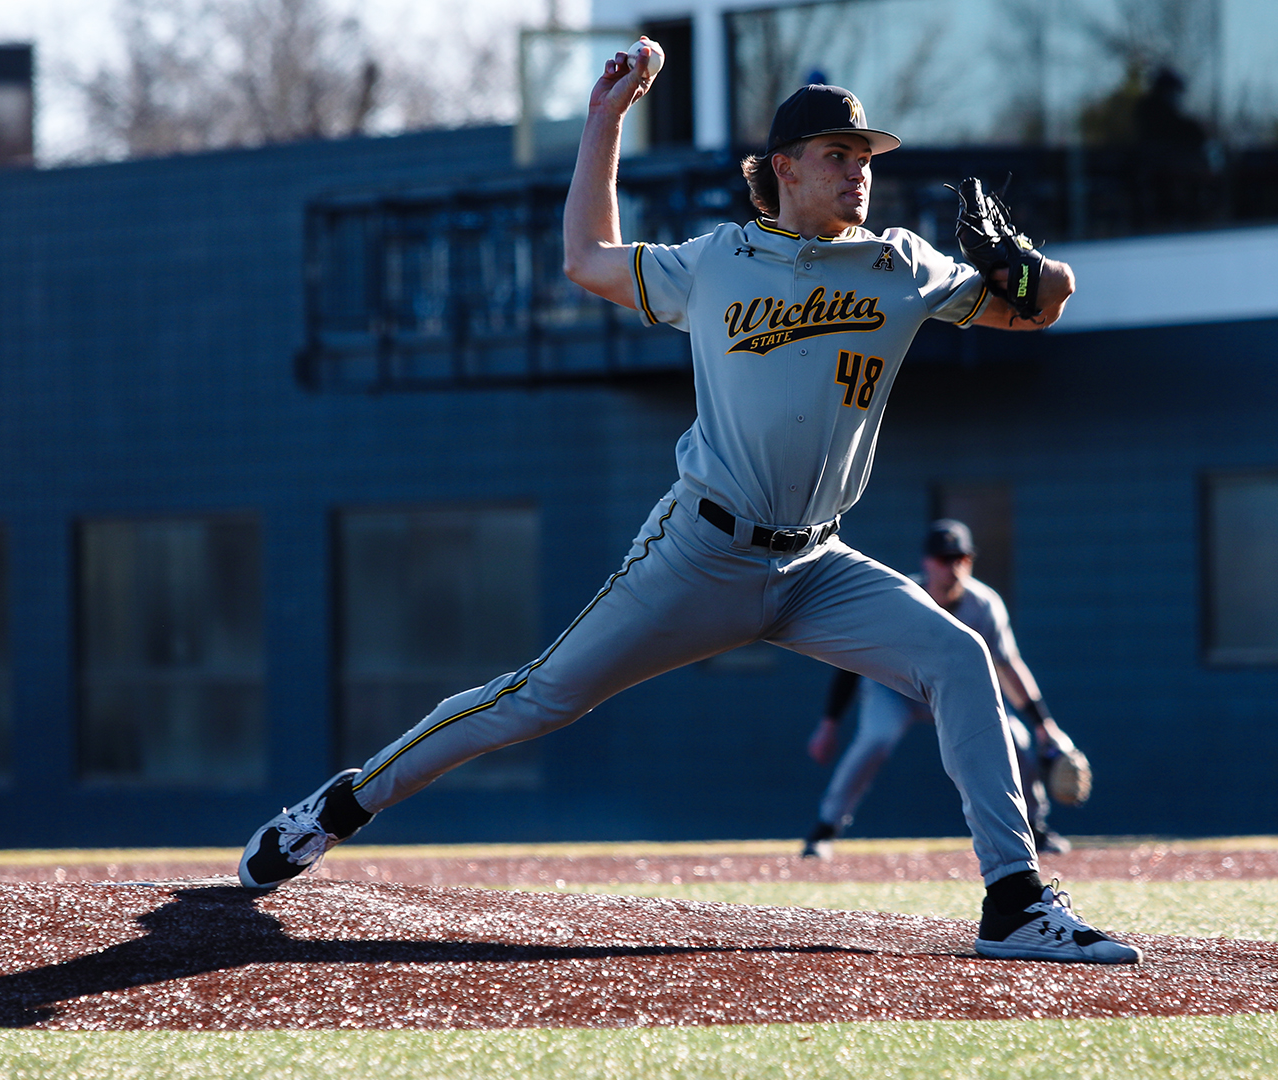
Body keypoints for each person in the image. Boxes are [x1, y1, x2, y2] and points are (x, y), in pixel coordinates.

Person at [237, 41, 1142, 964]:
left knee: (958, 656)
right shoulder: (717, 261)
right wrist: (606, 120)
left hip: (817, 566)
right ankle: (342, 804)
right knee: (539, 698)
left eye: (865, 157)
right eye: (838, 155)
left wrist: (1018, 260)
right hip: (701, 553)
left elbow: (1043, 306)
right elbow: (586, 258)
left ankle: (1015, 901)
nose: (858, 172)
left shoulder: (898, 266)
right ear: (784, 168)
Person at [802, 519, 1083, 858]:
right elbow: (852, 659)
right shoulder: (901, 598)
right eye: (943, 558)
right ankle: (826, 828)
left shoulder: (984, 605)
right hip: (898, 691)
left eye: (960, 558)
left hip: (958, 693)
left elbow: (1009, 666)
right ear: (926, 562)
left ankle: (1035, 828)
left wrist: (1044, 724)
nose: (952, 567)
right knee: (875, 740)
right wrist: (829, 723)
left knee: (1018, 741)